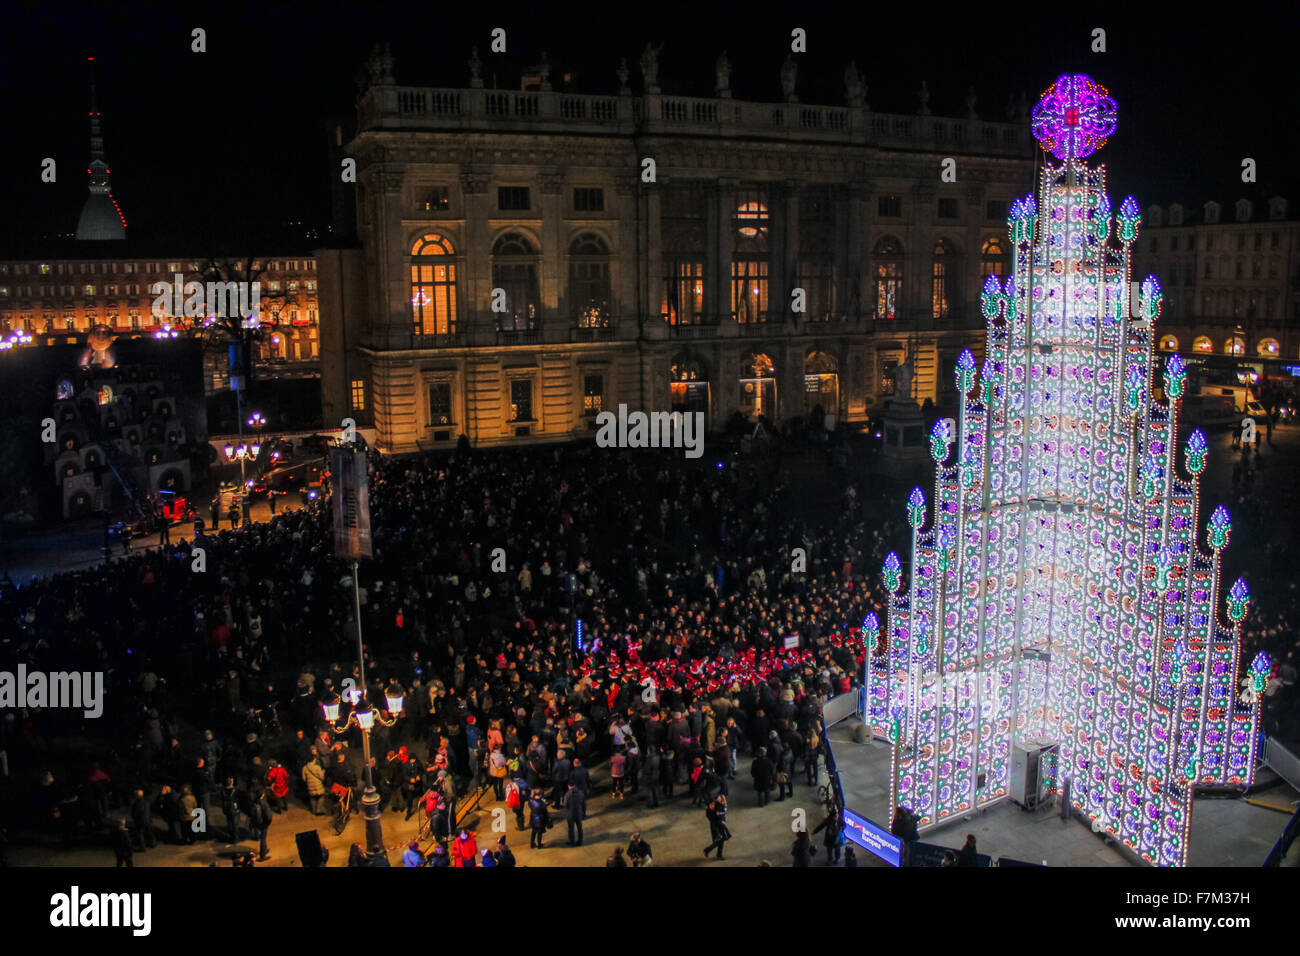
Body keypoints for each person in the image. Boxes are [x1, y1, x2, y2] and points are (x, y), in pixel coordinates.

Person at [703, 795, 730, 860]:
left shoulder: (717, 805)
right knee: (717, 841)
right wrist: (716, 813)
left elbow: (723, 810)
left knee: (721, 840)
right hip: (715, 827)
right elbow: (712, 818)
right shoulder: (709, 811)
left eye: (713, 804)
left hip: (719, 825)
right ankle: (707, 850)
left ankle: (719, 855)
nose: (712, 805)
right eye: (711, 805)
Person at [250, 788, 273, 861]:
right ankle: (262, 855)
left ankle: (265, 849)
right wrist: (268, 822)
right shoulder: (263, 803)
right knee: (263, 838)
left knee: (263, 837)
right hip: (264, 823)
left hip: (258, 823)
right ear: (262, 795)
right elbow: (268, 815)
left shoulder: (255, 802)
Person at [562, 782, 586, 846]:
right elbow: (584, 804)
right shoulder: (581, 793)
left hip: (570, 814)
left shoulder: (567, 795)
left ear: (568, 786)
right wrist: (584, 813)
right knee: (580, 828)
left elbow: (565, 805)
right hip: (579, 813)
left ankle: (572, 842)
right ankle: (580, 841)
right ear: (574, 785)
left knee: (571, 829)